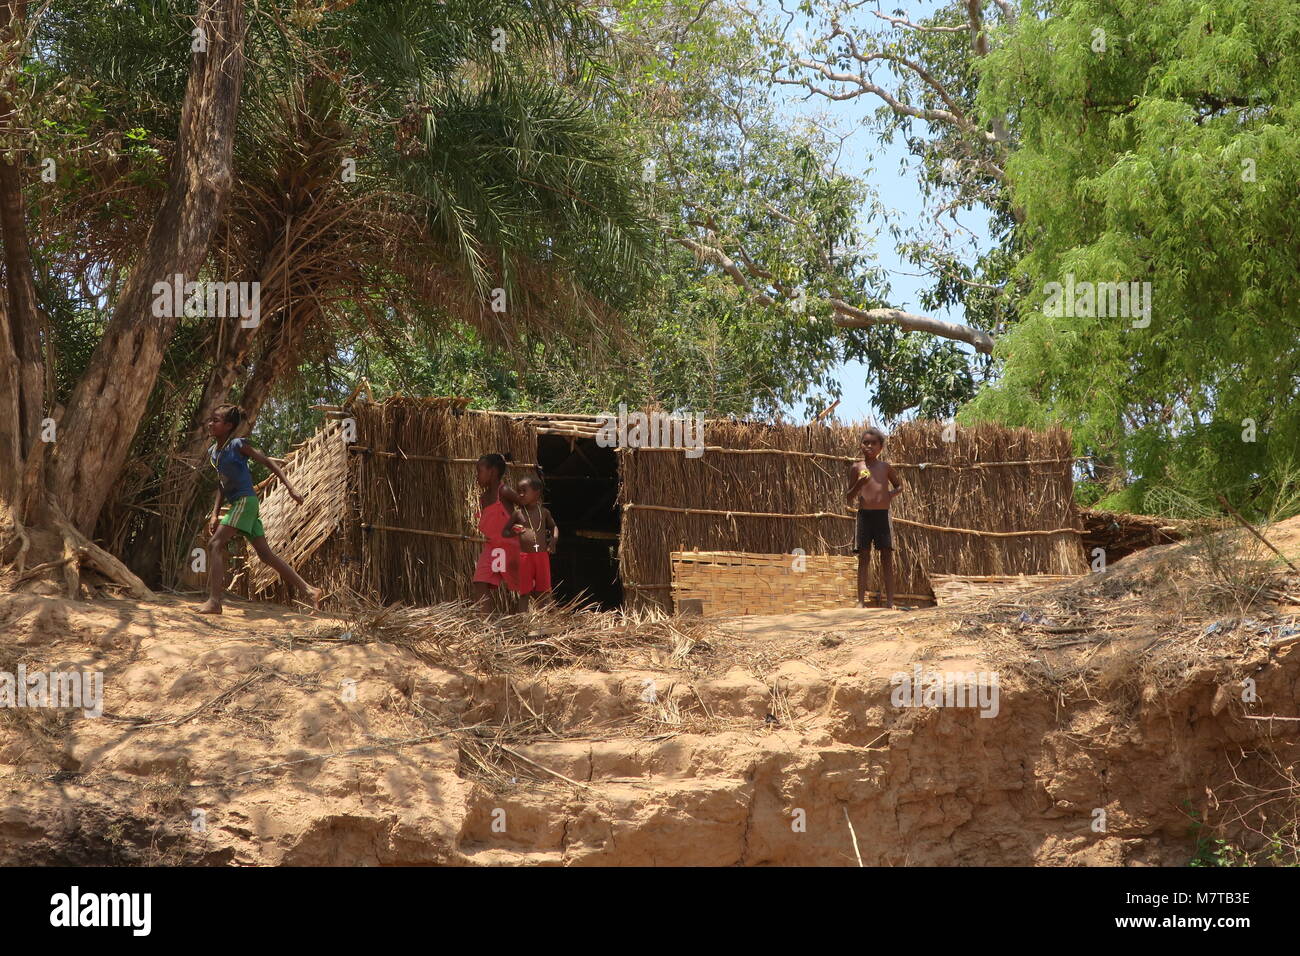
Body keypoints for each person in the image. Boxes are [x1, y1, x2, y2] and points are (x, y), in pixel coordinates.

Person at [198, 403, 321, 614]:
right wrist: (216, 512)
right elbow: (222, 483)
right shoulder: (213, 452)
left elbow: (269, 463)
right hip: (241, 504)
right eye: (210, 420)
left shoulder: (237, 445)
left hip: (246, 502)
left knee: (215, 544)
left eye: (215, 421)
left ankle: (215, 602)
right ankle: (310, 590)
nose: (210, 424)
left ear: (228, 425)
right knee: (265, 555)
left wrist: (290, 488)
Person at [845, 426, 904, 608]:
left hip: (882, 515)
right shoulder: (857, 468)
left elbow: (899, 486)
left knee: (886, 556)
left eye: (873, 443)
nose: (869, 446)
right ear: (861, 445)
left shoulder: (885, 467)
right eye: (865, 442)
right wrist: (860, 483)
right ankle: (860, 601)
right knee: (864, 557)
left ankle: (890, 601)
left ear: (881, 447)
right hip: (864, 516)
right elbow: (849, 497)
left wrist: (890, 495)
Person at [472, 453, 525, 612]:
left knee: (528, 586)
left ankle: (550, 613)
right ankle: (487, 624)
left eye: (479, 471)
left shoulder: (504, 491)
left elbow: (524, 506)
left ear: (493, 471)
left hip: (511, 547)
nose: (477, 476)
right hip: (492, 548)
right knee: (480, 582)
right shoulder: (483, 498)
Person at [502, 476, 558, 609]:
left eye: (524, 490)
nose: (520, 494)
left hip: (542, 556)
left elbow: (553, 527)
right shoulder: (518, 514)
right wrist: (514, 532)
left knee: (543, 590)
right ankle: (522, 620)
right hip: (524, 557)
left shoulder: (544, 513)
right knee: (524, 592)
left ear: (536, 493)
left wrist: (553, 542)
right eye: (518, 491)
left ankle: (547, 619)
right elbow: (504, 532)